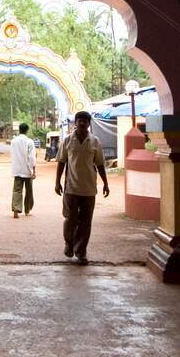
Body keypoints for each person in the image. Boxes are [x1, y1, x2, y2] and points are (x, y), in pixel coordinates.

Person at [54, 110, 109, 263]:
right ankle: (69, 244)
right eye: (80, 120)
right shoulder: (67, 141)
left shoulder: (95, 141)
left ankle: (81, 251)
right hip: (71, 188)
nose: (83, 123)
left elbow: (100, 164)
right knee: (70, 219)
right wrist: (57, 182)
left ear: (89, 124)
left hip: (89, 189)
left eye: (86, 121)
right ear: (75, 123)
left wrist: (106, 183)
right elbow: (61, 162)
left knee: (86, 222)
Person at [9, 122, 37, 218]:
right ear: (27, 130)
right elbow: (32, 157)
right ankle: (27, 211)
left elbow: (13, 154)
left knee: (17, 190)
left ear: (19, 130)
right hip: (27, 170)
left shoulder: (13, 141)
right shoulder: (29, 141)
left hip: (17, 169)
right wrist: (33, 170)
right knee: (29, 191)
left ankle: (16, 210)